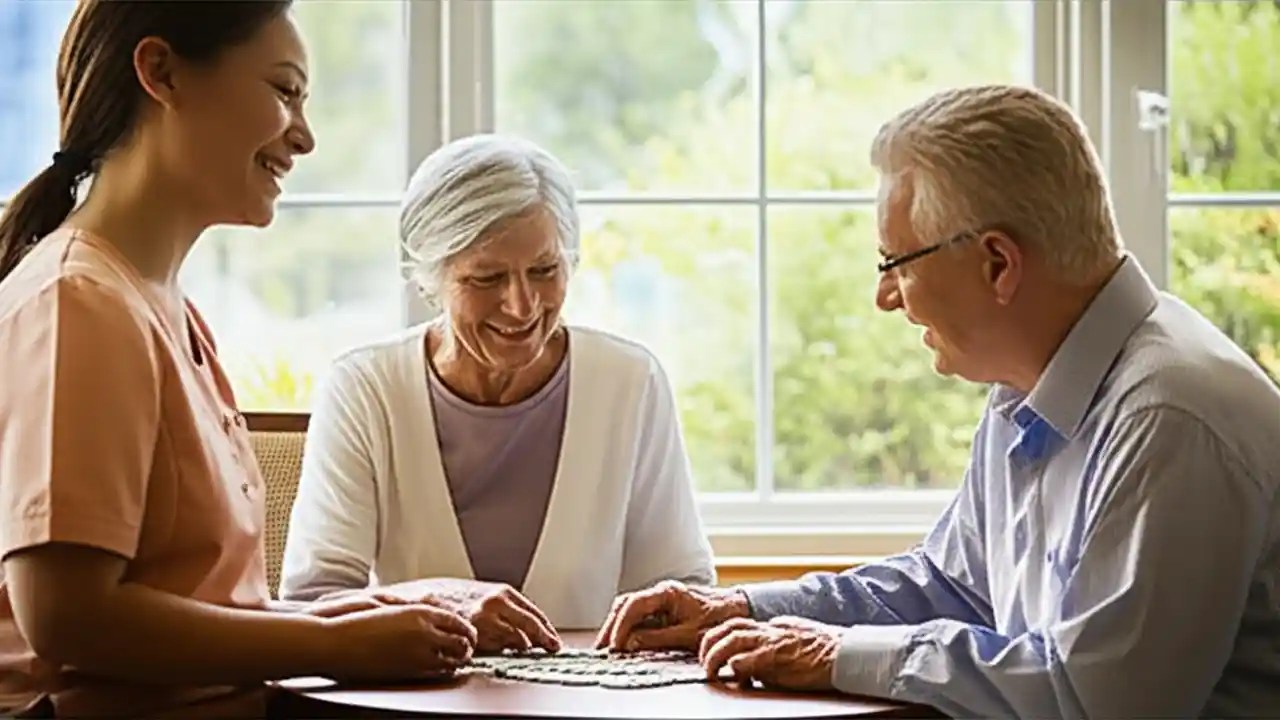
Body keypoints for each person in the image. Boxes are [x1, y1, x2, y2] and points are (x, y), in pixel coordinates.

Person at [597, 84, 1280, 718]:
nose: (885, 296)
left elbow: (1098, 697)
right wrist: (743, 609)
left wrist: (839, 655)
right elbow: (952, 584)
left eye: (896, 264)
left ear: (997, 265)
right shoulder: (1033, 383)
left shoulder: (1170, 418)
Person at [0, 3, 476, 718]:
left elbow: (197, 605)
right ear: (161, 72)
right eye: (284, 91)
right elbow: (70, 618)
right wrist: (330, 647)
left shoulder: (165, 309)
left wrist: (351, 619)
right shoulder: (79, 301)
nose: (305, 137)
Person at [279, 133, 716, 651]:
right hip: (417, 707)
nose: (522, 305)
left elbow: (681, 595)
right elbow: (313, 603)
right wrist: (435, 600)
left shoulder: (629, 382)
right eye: (487, 278)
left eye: (544, 271)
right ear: (433, 278)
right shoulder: (364, 390)